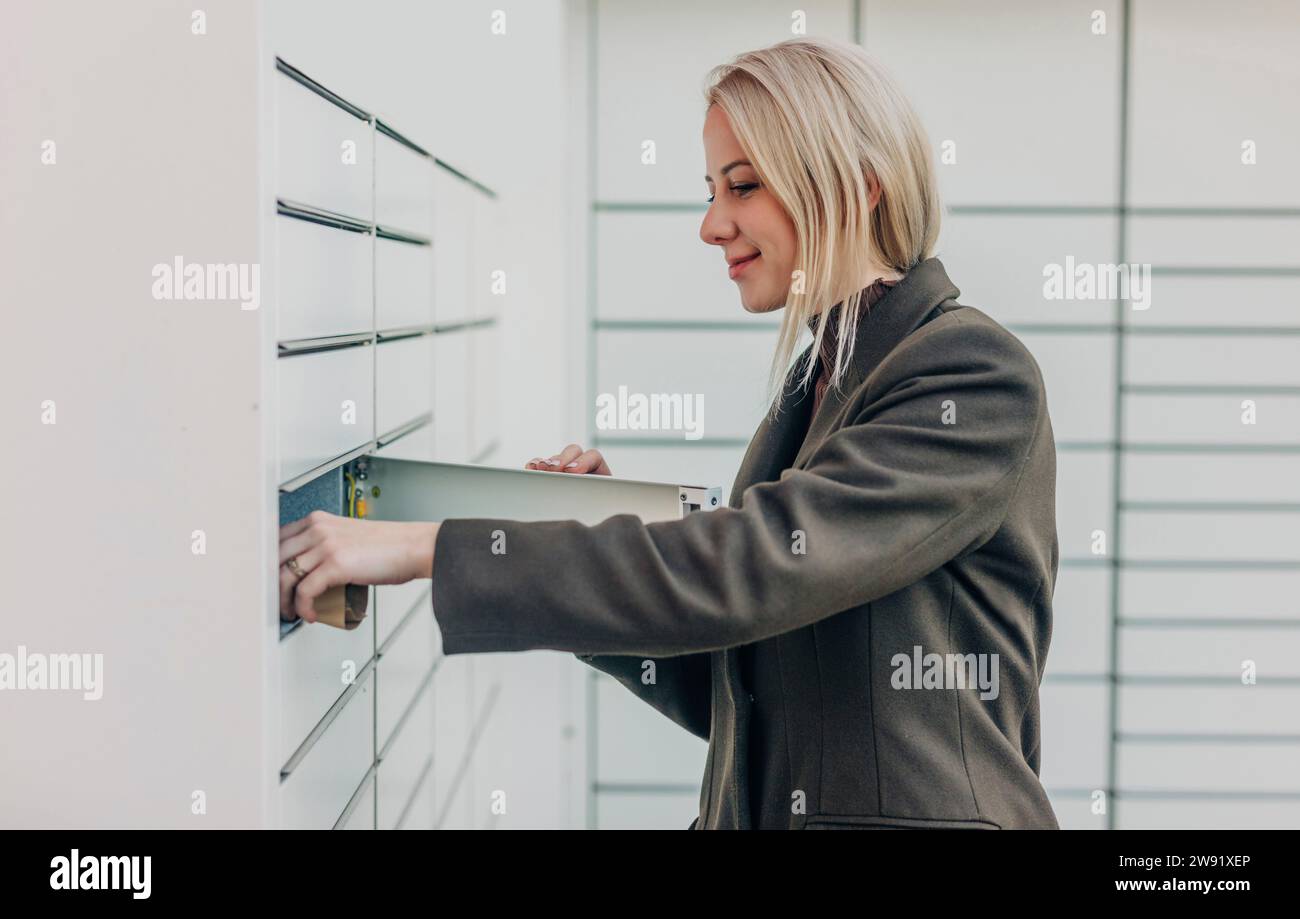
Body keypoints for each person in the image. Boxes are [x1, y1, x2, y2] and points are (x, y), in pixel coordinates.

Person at [278, 36, 1059, 830]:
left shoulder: (969, 372)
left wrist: (428, 548)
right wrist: (567, 529)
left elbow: (745, 565)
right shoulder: (813, 384)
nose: (712, 224)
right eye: (713, 189)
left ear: (857, 189)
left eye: (744, 186)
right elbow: (741, 686)